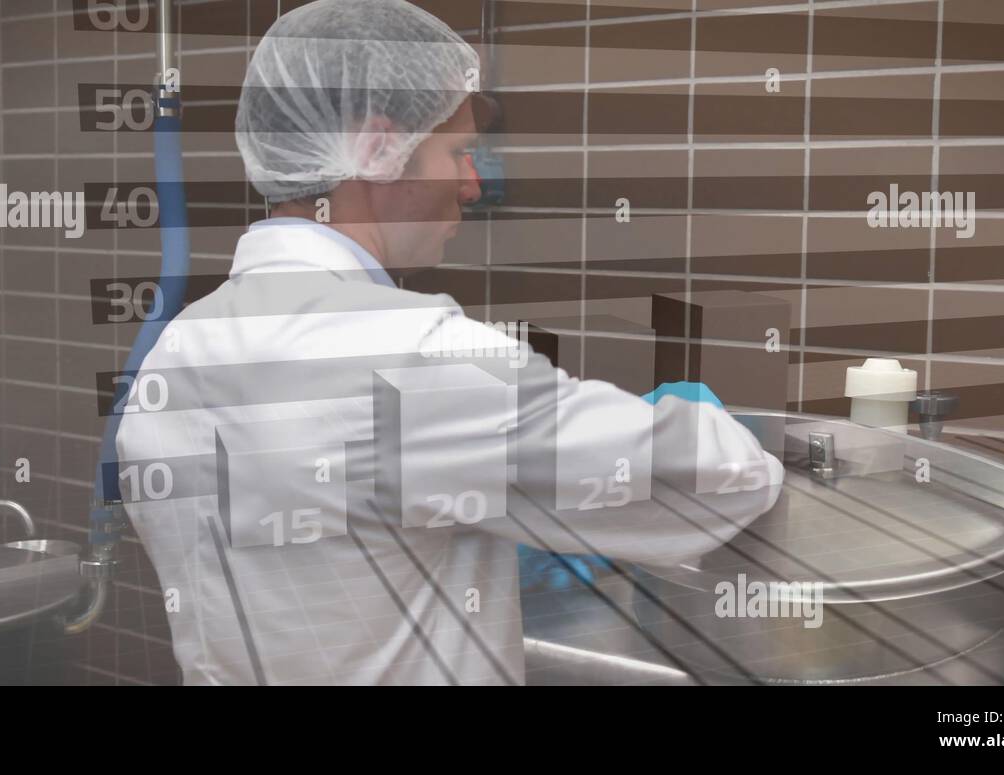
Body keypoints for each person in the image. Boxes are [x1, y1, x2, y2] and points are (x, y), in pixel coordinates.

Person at [117, 0, 783, 686]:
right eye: (458, 152)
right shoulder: (413, 351)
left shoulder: (174, 354)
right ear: (377, 148)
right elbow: (717, 480)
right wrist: (719, 429)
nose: (472, 183)